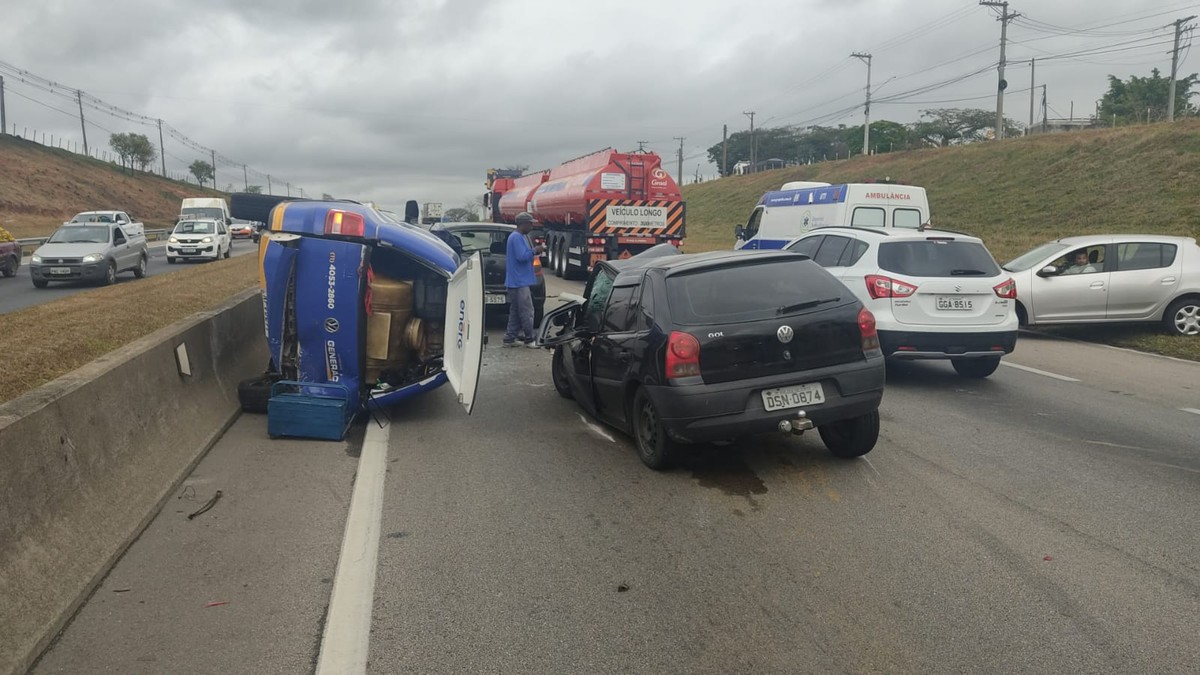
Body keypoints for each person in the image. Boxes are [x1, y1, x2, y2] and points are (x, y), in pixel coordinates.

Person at [503, 212, 545, 348]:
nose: (532, 226)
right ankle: (529, 339)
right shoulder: (517, 238)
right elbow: (522, 256)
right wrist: (535, 250)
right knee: (527, 311)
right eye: (530, 223)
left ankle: (509, 338)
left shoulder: (517, 237)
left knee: (515, 311)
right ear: (524, 224)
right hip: (519, 282)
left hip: (516, 281)